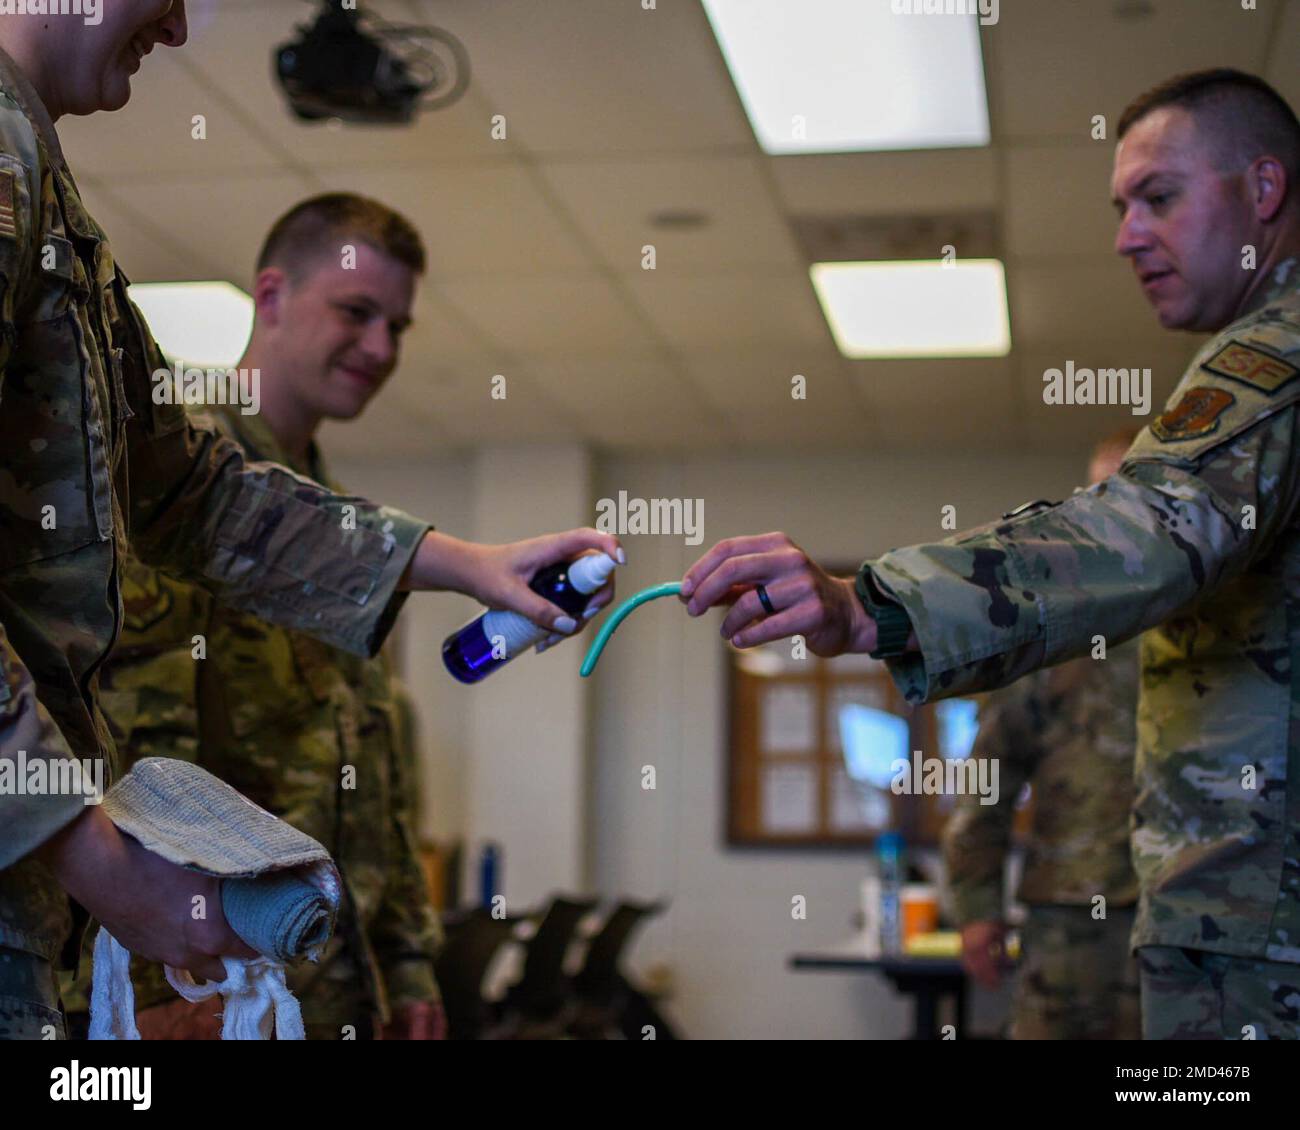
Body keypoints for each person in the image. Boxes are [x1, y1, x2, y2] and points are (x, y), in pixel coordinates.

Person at [0, 5, 619, 1040]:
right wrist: (100, 859)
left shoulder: (45, 186)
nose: (184, 27)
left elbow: (193, 488)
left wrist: (466, 563)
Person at [683, 68, 1300, 1039]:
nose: (1125, 235)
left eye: (1159, 197)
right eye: (1118, 206)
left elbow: (1147, 529)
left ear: (1262, 191)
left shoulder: (1276, 354)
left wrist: (867, 603)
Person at [61, 193, 455, 1040]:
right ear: (271, 296)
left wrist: (405, 959)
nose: (381, 348)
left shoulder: (340, 529)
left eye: (398, 325)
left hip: (329, 983)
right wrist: (156, 989)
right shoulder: (167, 490)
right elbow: (134, 753)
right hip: (206, 981)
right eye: (356, 311)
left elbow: (374, 759)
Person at [944, 432, 1142, 1040]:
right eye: (1103, 500)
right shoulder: (1061, 627)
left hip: (1199, 914)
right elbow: (989, 773)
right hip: (1072, 916)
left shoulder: (1226, 618)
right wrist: (977, 908)